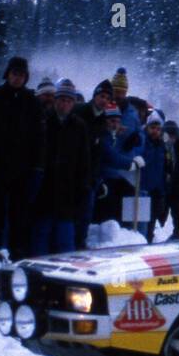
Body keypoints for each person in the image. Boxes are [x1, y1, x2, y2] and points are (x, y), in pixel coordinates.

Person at [0, 57, 43, 259]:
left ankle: (18, 255)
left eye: (21, 75)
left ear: (26, 77)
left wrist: (35, 167)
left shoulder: (32, 101)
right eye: (14, 73)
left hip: (23, 170)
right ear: (7, 74)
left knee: (20, 216)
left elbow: (38, 137)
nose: (17, 78)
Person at [31, 78, 90, 255]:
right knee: (41, 237)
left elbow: (84, 161)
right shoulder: (43, 121)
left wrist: (83, 187)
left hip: (67, 191)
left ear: (73, 103)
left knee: (65, 241)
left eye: (69, 100)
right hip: (44, 190)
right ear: (56, 100)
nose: (65, 104)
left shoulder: (79, 126)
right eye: (62, 99)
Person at [71, 79, 115, 248]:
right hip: (71, 173)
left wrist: (98, 178)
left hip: (90, 177)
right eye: (101, 96)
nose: (104, 100)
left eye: (107, 98)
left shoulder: (103, 120)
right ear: (95, 96)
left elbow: (99, 153)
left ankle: (79, 243)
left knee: (85, 215)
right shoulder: (79, 111)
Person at [139, 112, 169, 242]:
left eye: (158, 129)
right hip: (144, 188)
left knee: (152, 221)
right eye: (152, 128)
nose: (155, 131)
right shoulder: (143, 141)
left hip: (157, 189)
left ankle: (149, 241)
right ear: (147, 128)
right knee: (142, 222)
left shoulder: (162, 145)